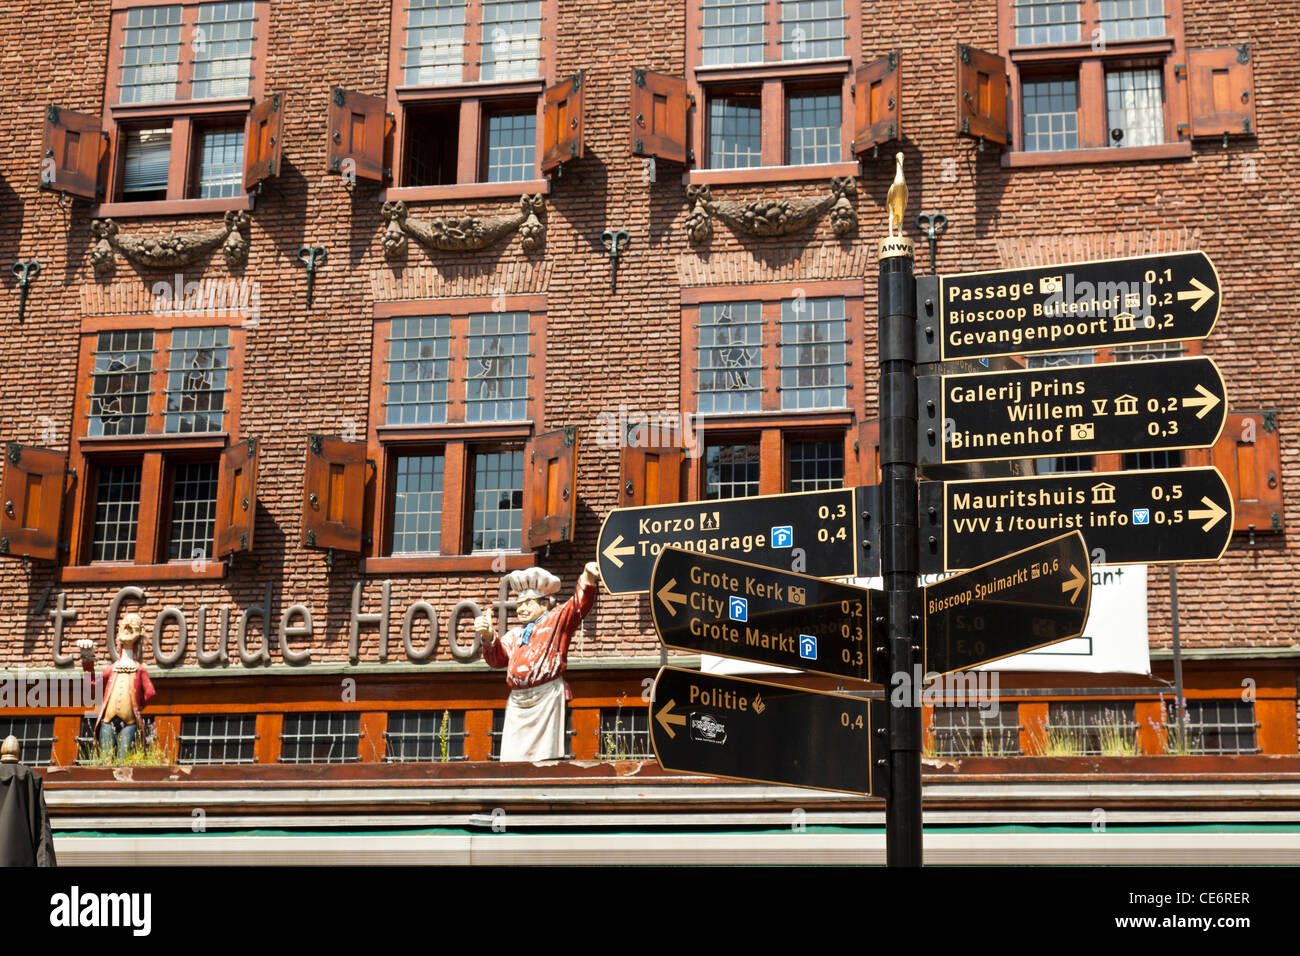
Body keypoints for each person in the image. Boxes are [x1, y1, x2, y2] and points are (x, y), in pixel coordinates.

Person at [475, 562, 600, 762]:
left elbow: (577, 605)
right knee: (511, 759)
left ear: (544, 603)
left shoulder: (555, 620)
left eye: (528, 603)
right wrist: (489, 636)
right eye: (519, 604)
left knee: (545, 758)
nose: (522, 609)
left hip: (546, 697)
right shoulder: (515, 635)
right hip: (518, 701)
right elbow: (497, 658)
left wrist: (587, 577)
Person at [79, 613, 156, 763]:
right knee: (105, 759)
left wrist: (135, 707)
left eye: (132, 623)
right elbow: (92, 687)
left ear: (140, 631)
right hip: (107, 721)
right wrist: (87, 661)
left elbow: (150, 693)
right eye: (124, 624)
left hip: (129, 722)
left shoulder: (139, 669)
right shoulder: (112, 669)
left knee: (123, 761)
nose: (127, 627)